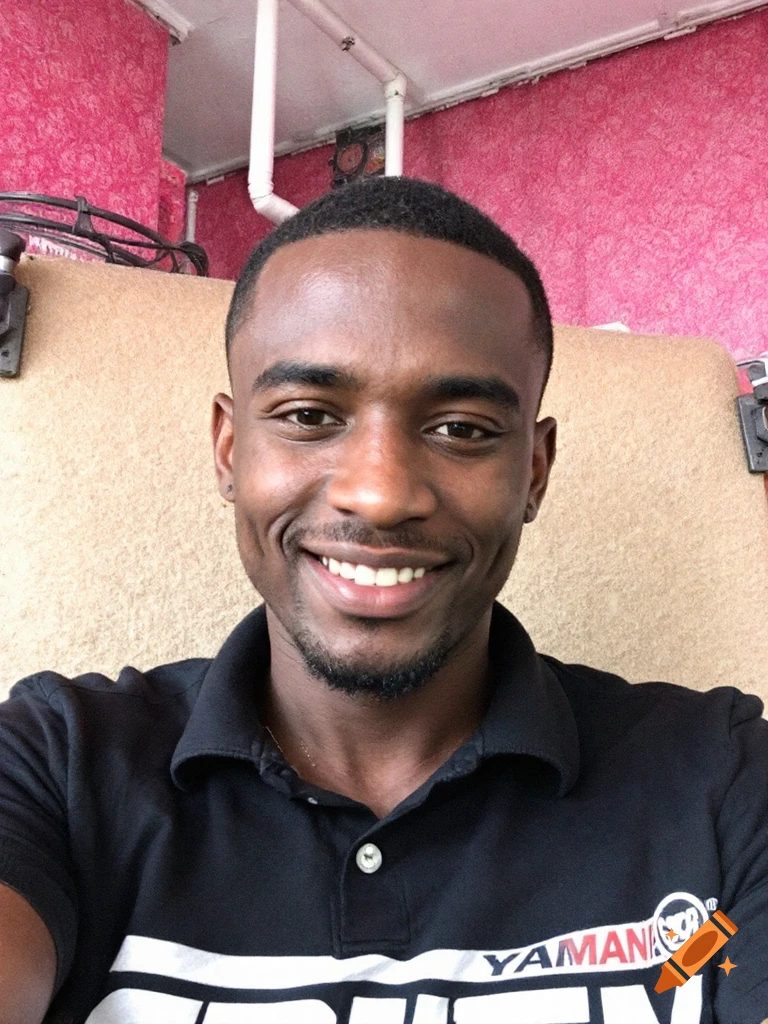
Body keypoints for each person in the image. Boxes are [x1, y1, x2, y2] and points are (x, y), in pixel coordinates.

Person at [0, 176, 766, 1024]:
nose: (379, 494)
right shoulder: (53, 766)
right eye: (308, 415)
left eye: (462, 429)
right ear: (229, 450)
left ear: (534, 471)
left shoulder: (725, 782)